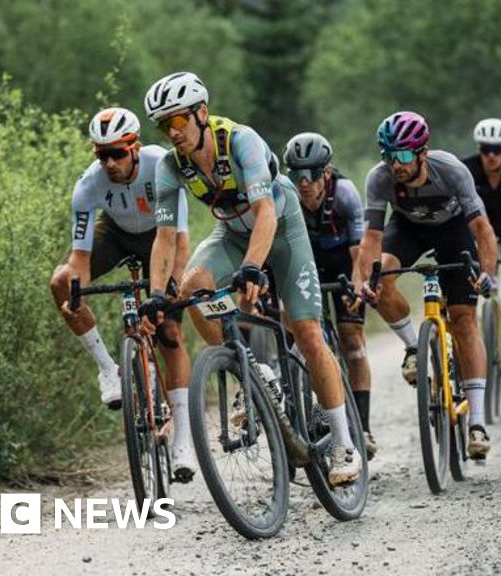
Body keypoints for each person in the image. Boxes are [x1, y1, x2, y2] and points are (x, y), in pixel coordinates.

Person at [140, 72, 360, 486]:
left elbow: (266, 212)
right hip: (231, 233)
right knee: (191, 289)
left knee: (306, 331)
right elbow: (165, 238)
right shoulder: (171, 166)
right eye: (163, 125)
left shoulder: (241, 141)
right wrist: (155, 293)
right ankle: (257, 372)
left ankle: (344, 442)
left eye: (178, 121)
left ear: (201, 113)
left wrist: (254, 267)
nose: (172, 132)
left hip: (281, 227)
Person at [48, 107, 197, 480]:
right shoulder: (88, 185)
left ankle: (184, 440)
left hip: (160, 238)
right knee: (61, 282)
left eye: (117, 152)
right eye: (102, 155)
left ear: (135, 147)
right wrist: (76, 295)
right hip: (115, 232)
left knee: (171, 334)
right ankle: (107, 370)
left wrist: (169, 290)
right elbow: (79, 258)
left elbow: (178, 243)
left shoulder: (161, 166)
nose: (109, 163)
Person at [354, 111, 499, 459]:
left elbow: (482, 229)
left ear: (422, 152)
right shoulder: (380, 179)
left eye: (403, 156)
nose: (396, 165)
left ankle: (477, 422)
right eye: (389, 156)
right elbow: (372, 237)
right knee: (382, 280)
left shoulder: (450, 170)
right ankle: (413, 347)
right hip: (408, 229)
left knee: (464, 319)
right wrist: (366, 280)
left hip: (454, 231)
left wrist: (488, 272)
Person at [282, 132, 377, 459]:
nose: (303, 182)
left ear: (326, 172)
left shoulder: (345, 193)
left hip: (341, 264)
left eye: (310, 174)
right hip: (308, 264)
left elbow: (359, 253)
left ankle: (361, 428)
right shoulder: (287, 196)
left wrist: (355, 286)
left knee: (352, 340)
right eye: (296, 175)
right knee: (307, 340)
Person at [462, 118, 501, 396]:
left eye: (497, 149)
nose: (491, 156)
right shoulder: (468, 169)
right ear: (479, 148)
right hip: (479, 230)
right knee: (469, 284)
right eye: (486, 149)